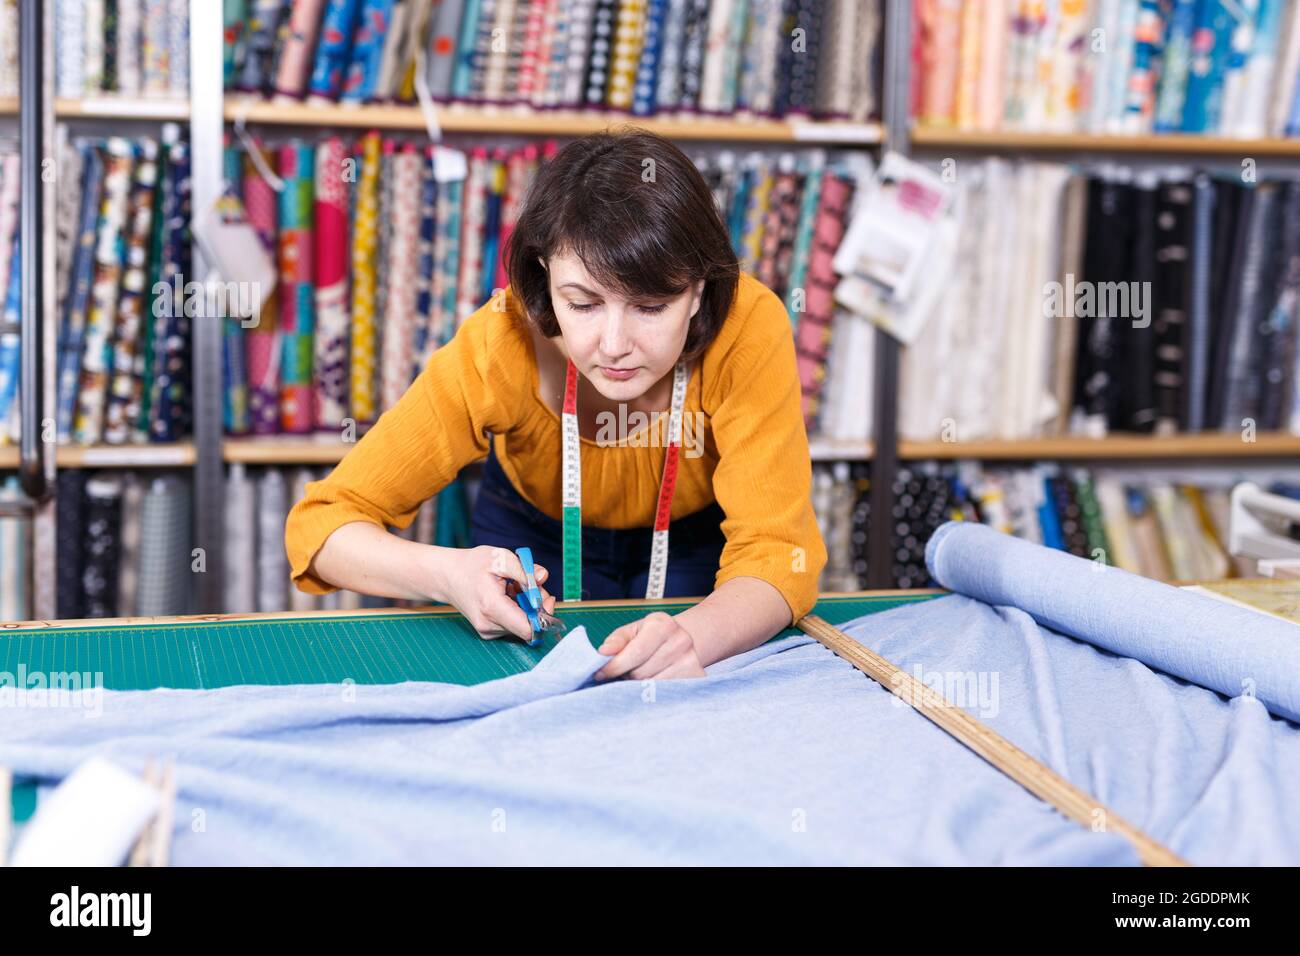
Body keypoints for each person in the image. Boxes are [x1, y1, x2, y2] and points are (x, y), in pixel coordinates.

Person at [285, 128, 827, 681]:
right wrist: (447, 575)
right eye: (583, 303)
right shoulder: (501, 342)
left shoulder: (749, 327)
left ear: (699, 292)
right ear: (545, 275)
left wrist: (694, 636)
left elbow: (780, 554)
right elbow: (321, 527)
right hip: (531, 543)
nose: (614, 344)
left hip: (697, 547)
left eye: (651, 306)